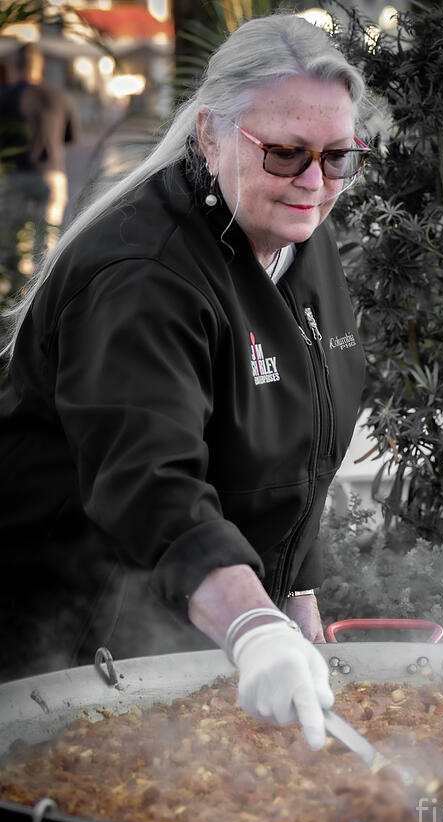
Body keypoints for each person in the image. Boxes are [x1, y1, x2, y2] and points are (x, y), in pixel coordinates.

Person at [0, 15, 369, 750]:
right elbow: (150, 481)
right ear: (210, 135)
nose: (314, 182)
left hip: (190, 628)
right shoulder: (142, 276)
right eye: (286, 152)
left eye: (339, 157)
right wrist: (253, 626)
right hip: (67, 643)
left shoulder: (299, 226)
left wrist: (294, 596)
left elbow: (304, 442)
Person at [0, 43, 78, 280]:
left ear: (15, 66)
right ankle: (40, 297)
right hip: (51, 174)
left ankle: (15, 298)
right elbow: (70, 137)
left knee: (15, 244)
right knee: (46, 243)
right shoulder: (57, 95)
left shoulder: (4, 96)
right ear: (40, 66)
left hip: (14, 176)